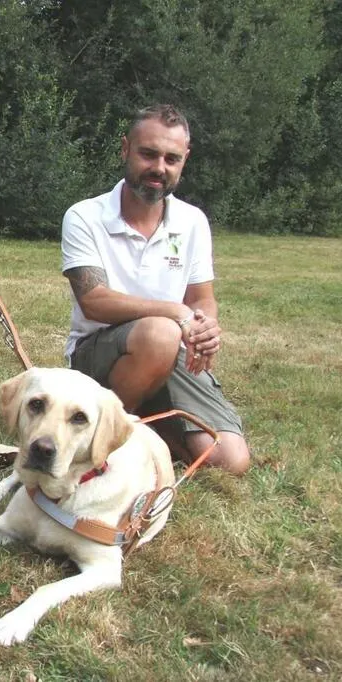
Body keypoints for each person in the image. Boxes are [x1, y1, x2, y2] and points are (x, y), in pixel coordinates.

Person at [60, 104, 250, 475]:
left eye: (171, 158)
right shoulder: (84, 216)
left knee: (230, 461)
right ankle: (103, 441)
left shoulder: (192, 222)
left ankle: (145, 422)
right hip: (97, 356)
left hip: (171, 355)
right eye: (148, 154)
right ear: (125, 148)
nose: (159, 168)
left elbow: (201, 298)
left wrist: (205, 325)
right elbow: (94, 301)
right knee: (161, 333)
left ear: (185, 160)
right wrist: (175, 313)